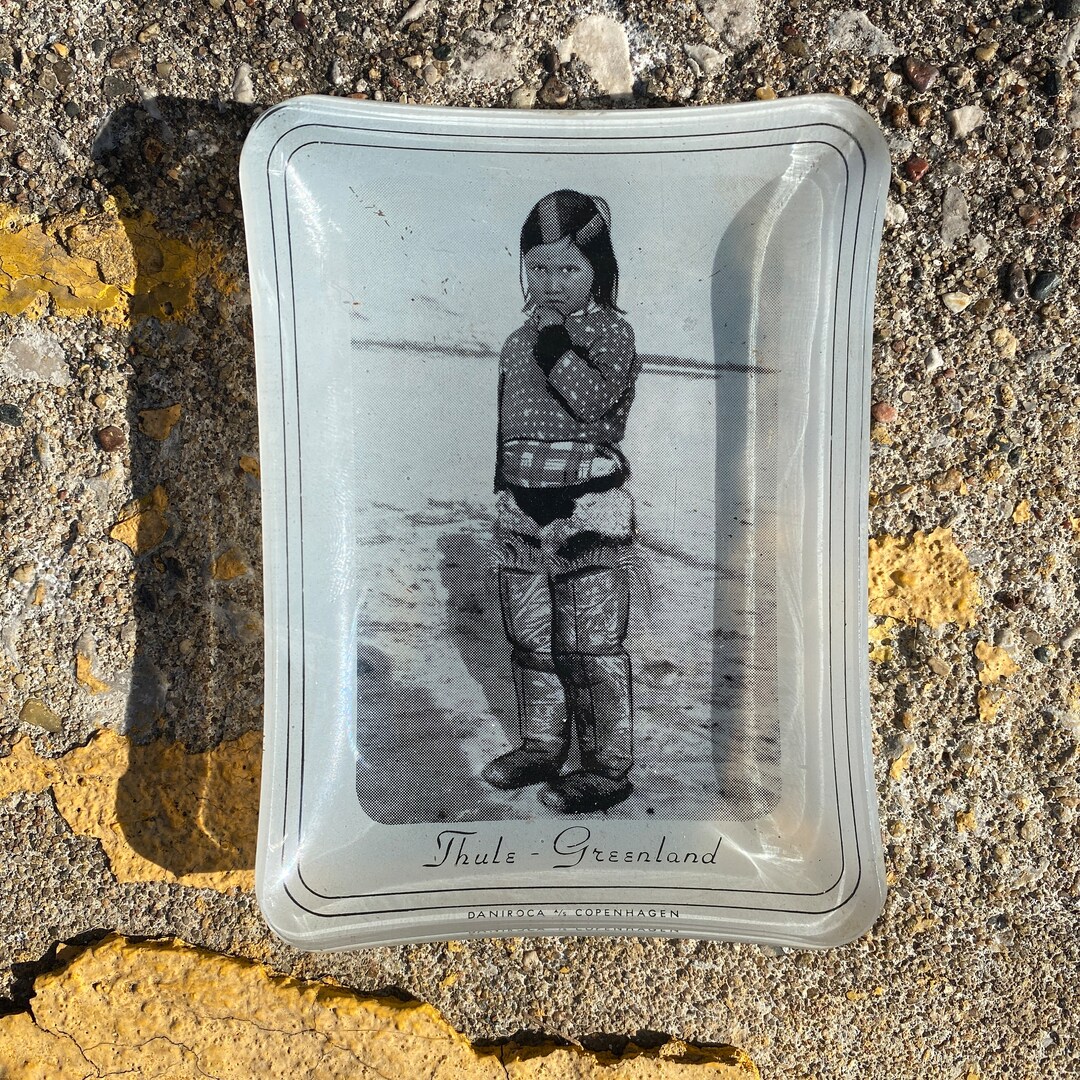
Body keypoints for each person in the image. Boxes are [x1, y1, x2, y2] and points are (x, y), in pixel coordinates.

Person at [482, 189, 642, 813]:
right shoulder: (515, 343)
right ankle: (542, 745)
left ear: (596, 272)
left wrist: (555, 347)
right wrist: (502, 492)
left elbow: (594, 403)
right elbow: (503, 429)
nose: (550, 283)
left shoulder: (611, 335)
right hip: (522, 511)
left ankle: (607, 765)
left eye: (567, 269)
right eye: (538, 269)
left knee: (591, 647)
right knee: (532, 640)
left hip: (588, 513)